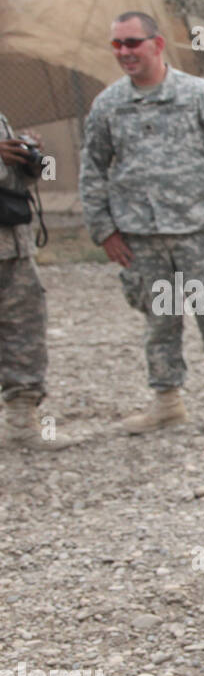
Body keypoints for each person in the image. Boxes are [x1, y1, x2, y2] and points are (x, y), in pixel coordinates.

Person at [80, 10, 204, 433]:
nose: (124, 52)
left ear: (156, 44)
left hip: (201, 231)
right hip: (140, 236)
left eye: (132, 42)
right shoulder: (108, 105)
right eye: (117, 44)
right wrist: (105, 230)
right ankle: (167, 403)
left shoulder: (199, 96)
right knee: (158, 319)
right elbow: (92, 170)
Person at [0, 116, 76, 449]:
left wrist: (29, 159)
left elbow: (22, 181)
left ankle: (22, 423)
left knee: (24, 333)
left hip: (14, 245)